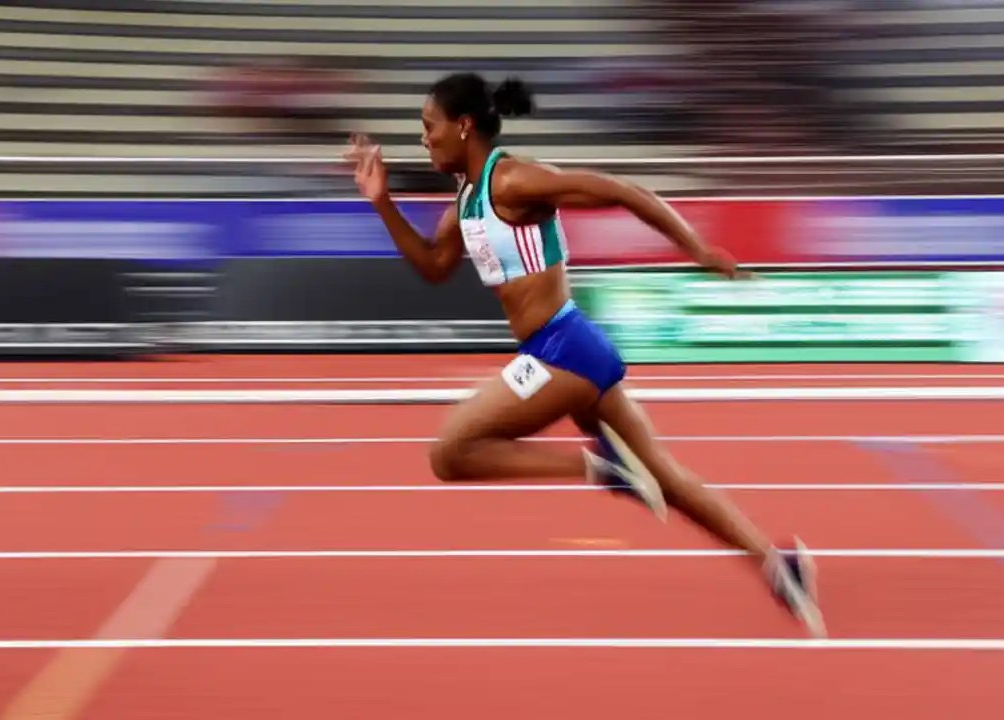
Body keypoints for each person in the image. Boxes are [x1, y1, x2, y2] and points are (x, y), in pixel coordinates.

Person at [344, 72, 825, 638]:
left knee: (450, 452)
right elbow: (433, 266)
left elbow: (622, 191)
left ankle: (597, 466)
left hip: (561, 349)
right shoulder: (465, 204)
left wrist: (696, 249)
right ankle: (777, 563)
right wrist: (381, 202)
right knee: (666, 477)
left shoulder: (514, 180)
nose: (424, 139)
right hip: (567, 350)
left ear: (464, 126)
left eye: (430, 126)